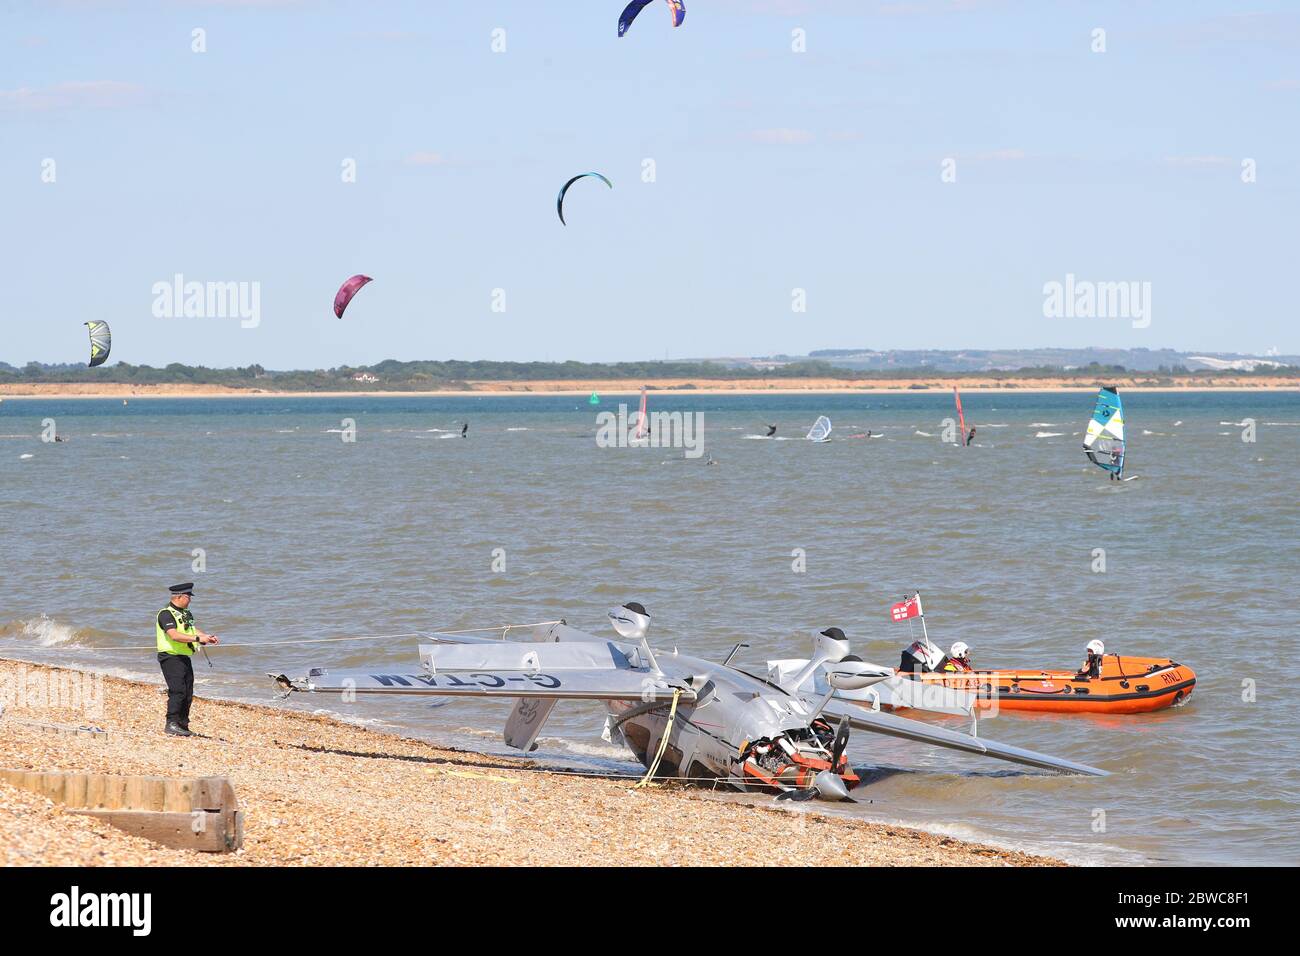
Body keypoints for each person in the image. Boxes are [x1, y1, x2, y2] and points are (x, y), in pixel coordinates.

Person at [156, 583, 220, 736]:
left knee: (188, 691)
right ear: (178, 596)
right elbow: (174, 635)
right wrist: (198, 638)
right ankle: (171, 724)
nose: (190, 599)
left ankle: (183, 724)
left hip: (184, 657)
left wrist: (205, 637)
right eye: (188, 596)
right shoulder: (165, 614)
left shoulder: (186, 613)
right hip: (170, 657)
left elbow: (191, 629)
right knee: (178, 691)